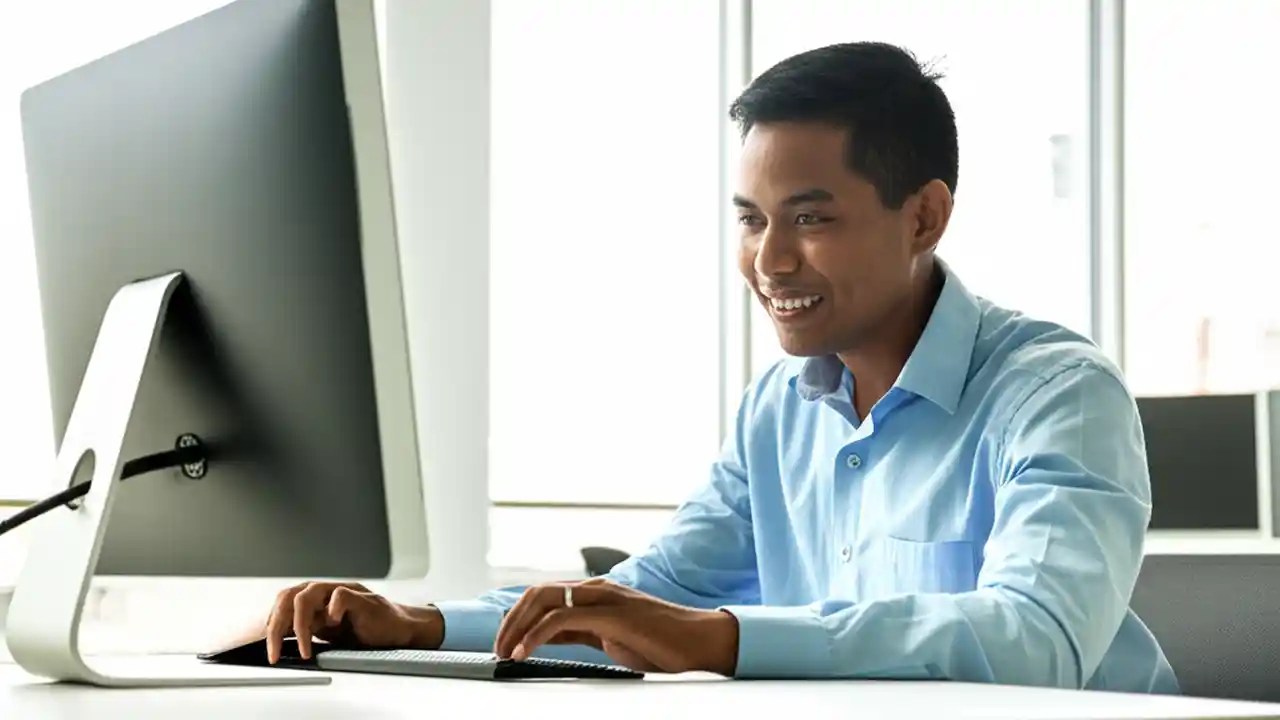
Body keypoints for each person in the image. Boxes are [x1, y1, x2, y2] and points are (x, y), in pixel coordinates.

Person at [263, 41, 1179, 693]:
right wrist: (420, 626)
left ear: (925, 217)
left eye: (811, 219)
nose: (770, 261)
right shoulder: (779, 409)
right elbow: (648, 597)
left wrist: (713, 640)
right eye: (751, 219)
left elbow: (1035, 640)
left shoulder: (1058, 395)